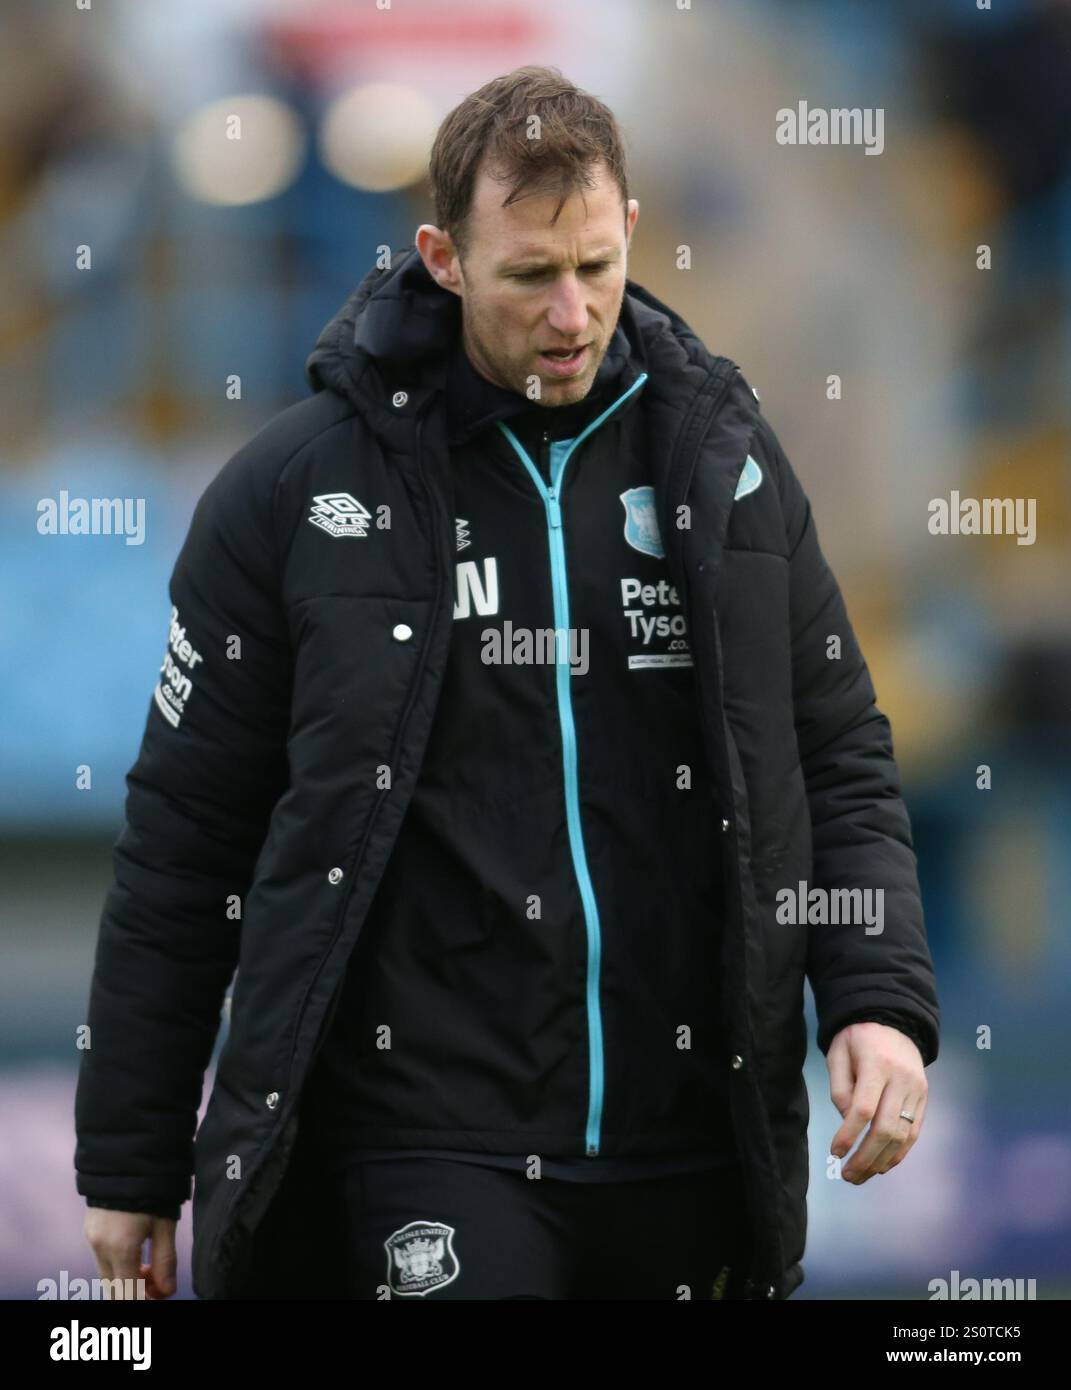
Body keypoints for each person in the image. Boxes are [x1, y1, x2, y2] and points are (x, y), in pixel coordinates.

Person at [76, 65, 939, 1302]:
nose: (573, 312)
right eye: (531, 275)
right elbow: (184, 843)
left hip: (693, 1140)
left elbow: (839, 753)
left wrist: (880, 999)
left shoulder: (727, 467)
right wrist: (130, 1155)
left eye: (595, 265)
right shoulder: (291, 495)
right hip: (423, 1143)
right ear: (441, 257)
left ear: (631, 228)